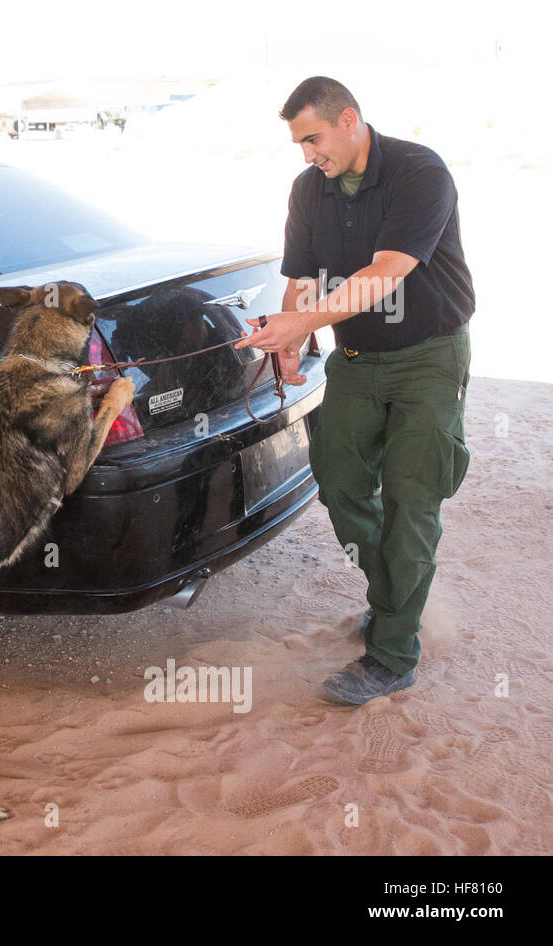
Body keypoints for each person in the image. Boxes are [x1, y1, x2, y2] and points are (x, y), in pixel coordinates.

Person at [235, 76, 475, 705]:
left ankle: (393, 653)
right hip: (355, 359)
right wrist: (289, 342)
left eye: (313, 137)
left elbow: (386, 272)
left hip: (429, 358)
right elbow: (304, 278)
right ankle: (396, 599)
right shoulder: (308, 189)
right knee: (339, 483)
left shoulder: (419, 170)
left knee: (411, 496)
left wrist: (302, 324)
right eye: (299, 143)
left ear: (349, 119)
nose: (308, 153)